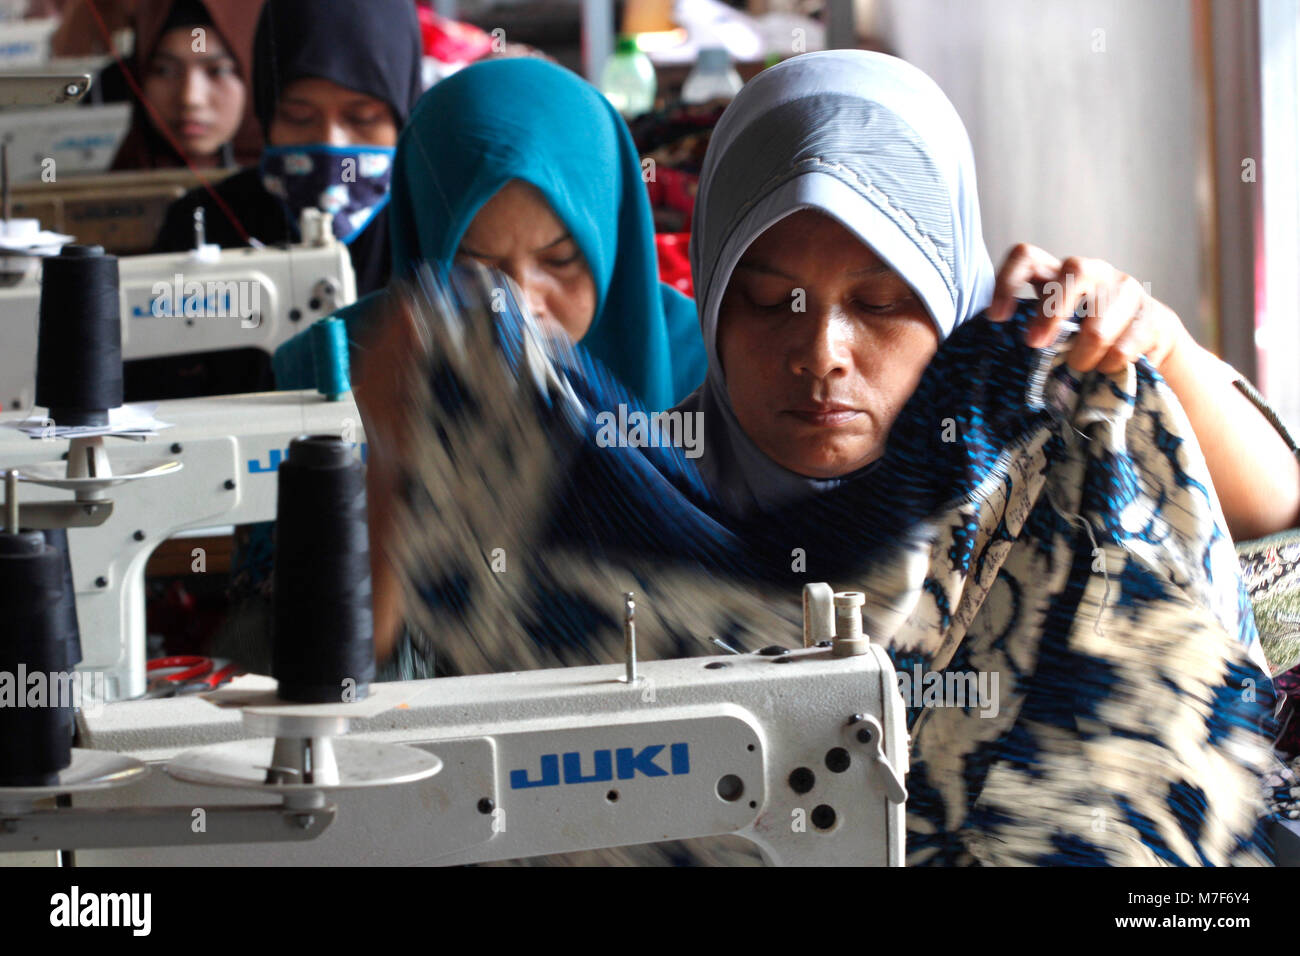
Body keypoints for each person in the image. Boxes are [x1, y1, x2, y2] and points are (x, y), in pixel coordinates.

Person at [360, 50, 1277, 866]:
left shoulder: (1047, 485)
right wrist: (412, 441)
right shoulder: (600, 502)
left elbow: (1276, 498)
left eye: (880, 302)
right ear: (712, 300)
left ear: (953, 295)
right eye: (768, 302)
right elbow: (381, 704)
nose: (823, 353)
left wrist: (1156, 345)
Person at [150, 0, 423, 296]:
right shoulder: (198, 224)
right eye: (299, 117)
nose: (330, 143)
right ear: (266, 114)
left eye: (362, 119)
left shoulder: (438, 229)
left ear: (404, 114)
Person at [109, 0, 263, 171]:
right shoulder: (110, 192)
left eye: (218, 71)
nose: (190, 98)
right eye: (164, 70)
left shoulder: (286, 190)